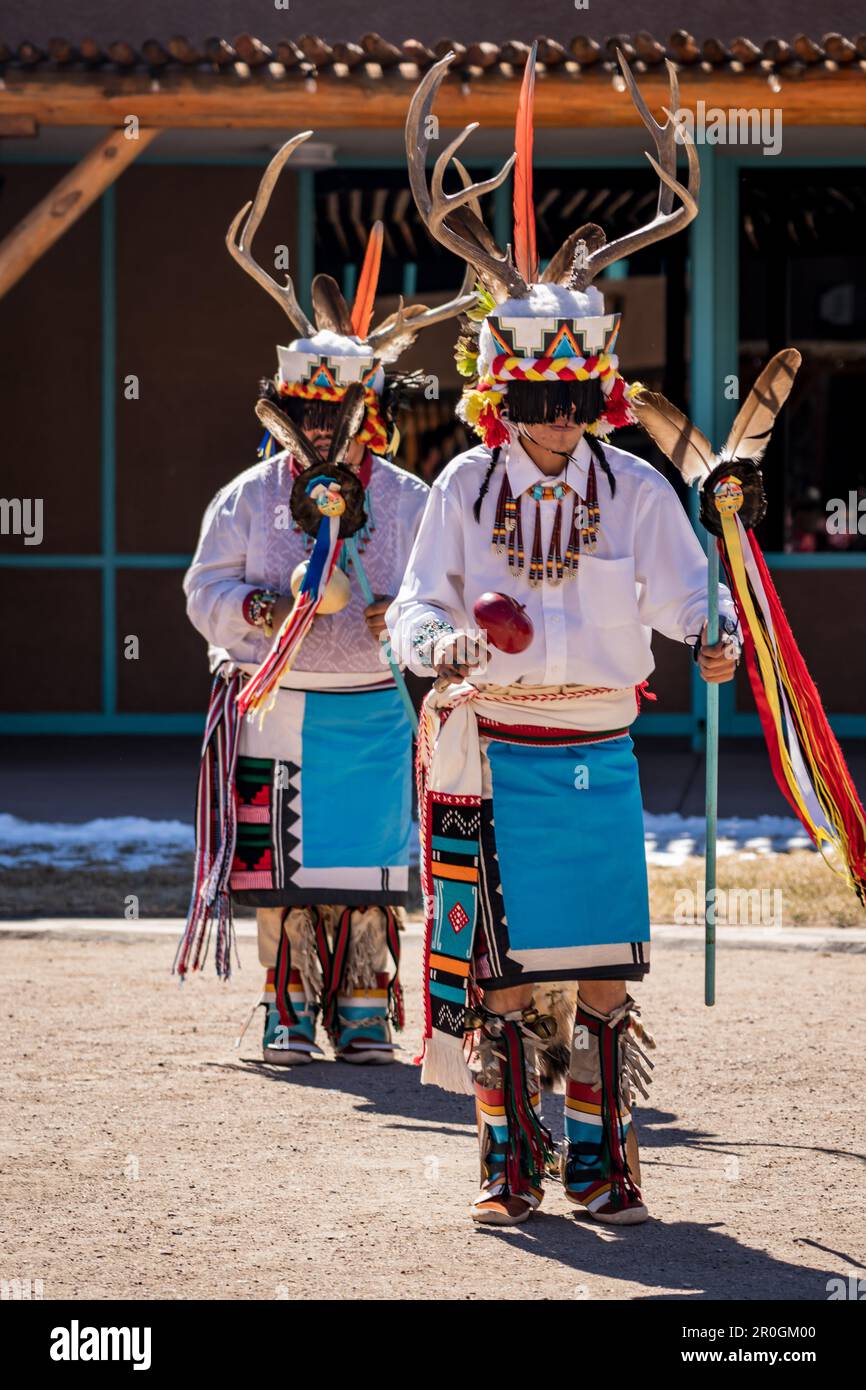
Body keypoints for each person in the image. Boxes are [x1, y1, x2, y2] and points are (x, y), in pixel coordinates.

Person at [387, 49, 740, 1224]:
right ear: (498, 395)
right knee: (496, 980)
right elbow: (415, 602)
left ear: (590, 393)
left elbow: (685, 592)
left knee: (591, 977)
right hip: (487, 749)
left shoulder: (636, 489)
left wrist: (712, 633)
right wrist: (438, 646)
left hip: (595, 750)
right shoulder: (457, 486)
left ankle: (596, 1163)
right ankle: (505, 1165)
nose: (546, 423)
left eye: (564, 401)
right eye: (526, 404)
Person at [176, 131, 474, 1067]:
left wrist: (404, 617)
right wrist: (265, 610)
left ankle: (361, 1004)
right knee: (282, 877)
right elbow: (204, 591)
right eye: (304, 414)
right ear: (281, 410)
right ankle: (285, 1005)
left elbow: (445, 589)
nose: (317, 430)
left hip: (374, 711)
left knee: (370, 871)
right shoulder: (249, 495)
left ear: (364, 415)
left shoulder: (409, 498)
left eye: (334, 416)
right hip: (273, 706)